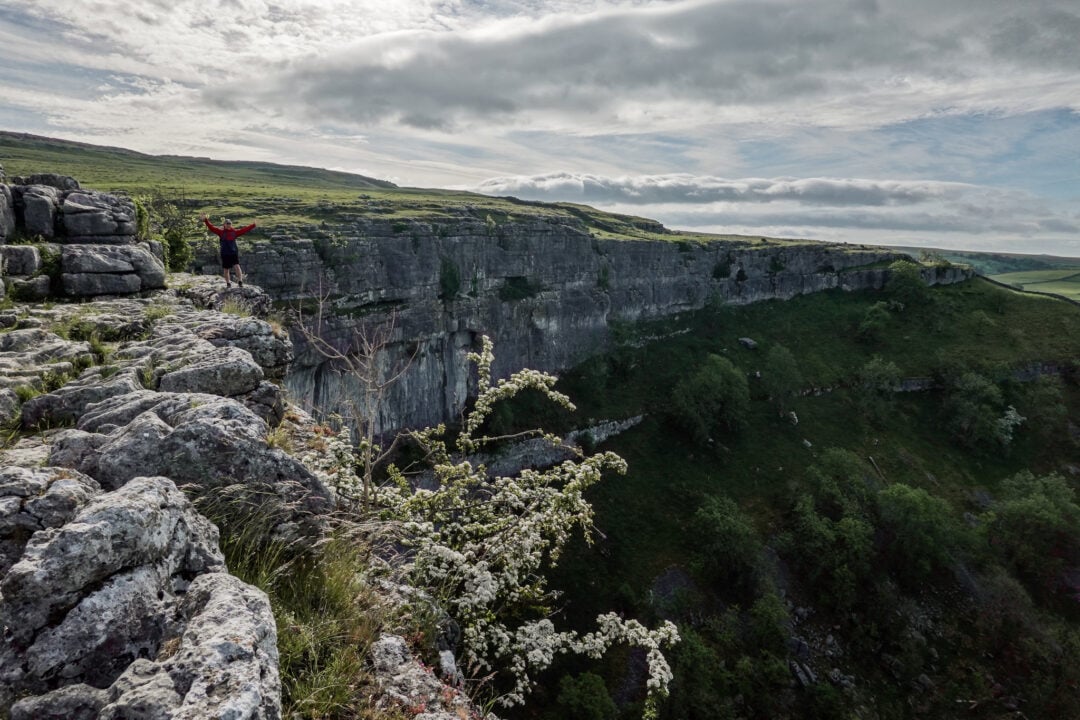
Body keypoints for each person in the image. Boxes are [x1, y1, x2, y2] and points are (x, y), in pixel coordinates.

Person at [202, 214, 255, 288]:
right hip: (225, 253)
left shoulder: (235, 232)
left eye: (230, 224)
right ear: (224, 224)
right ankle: (228, 283)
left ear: (231, 224)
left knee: (237, 266)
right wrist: (206, 220)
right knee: (226, 269)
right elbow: (211, 228)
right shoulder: (221, 232)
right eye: (227, 224)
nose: (228, 225)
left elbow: (244, 230)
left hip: (233, 252)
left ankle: (240, 281)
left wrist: (253, 225)